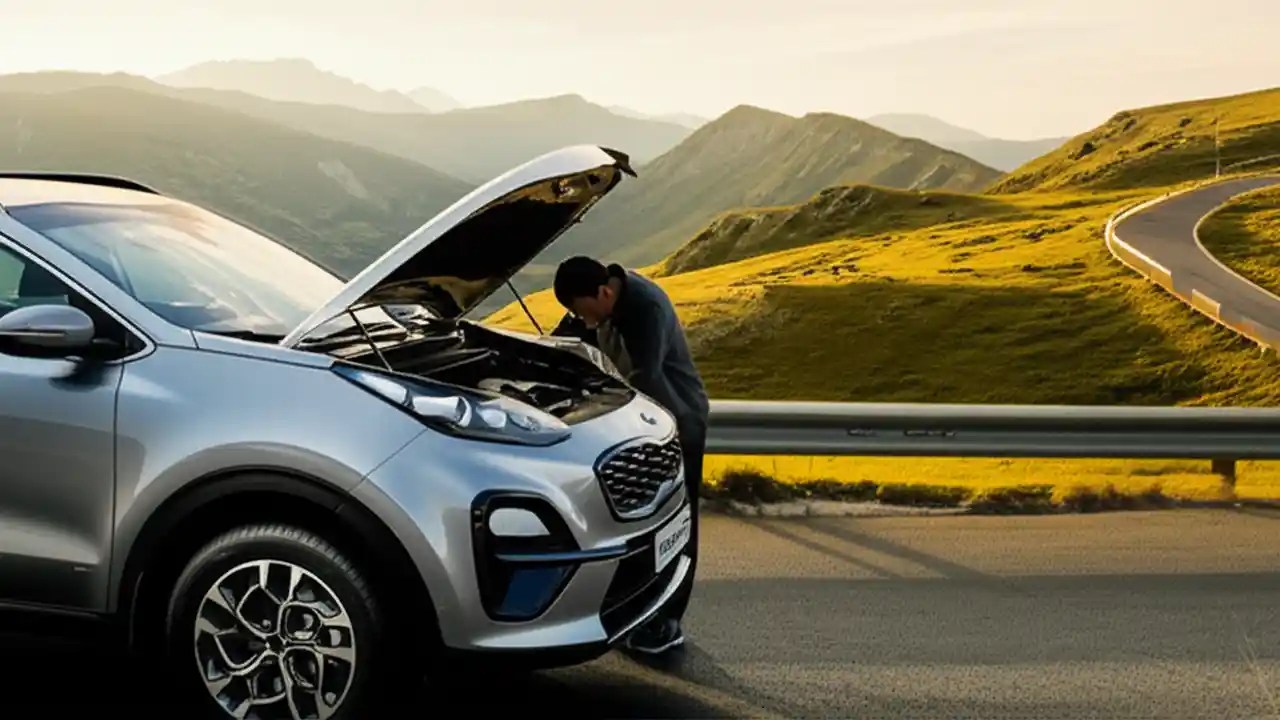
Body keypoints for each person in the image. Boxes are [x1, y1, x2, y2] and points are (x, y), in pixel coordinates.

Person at [551, 256, 709, 656]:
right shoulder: (603, 299)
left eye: (581, 309)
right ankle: (636, 609)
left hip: (679, 423)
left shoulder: (645, 309)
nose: (580, 319)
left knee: (676, 525)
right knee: (638, 523)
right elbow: (570, 338)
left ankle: (668, 623)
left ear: (603, 293)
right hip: (643, 428)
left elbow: (646, 377)